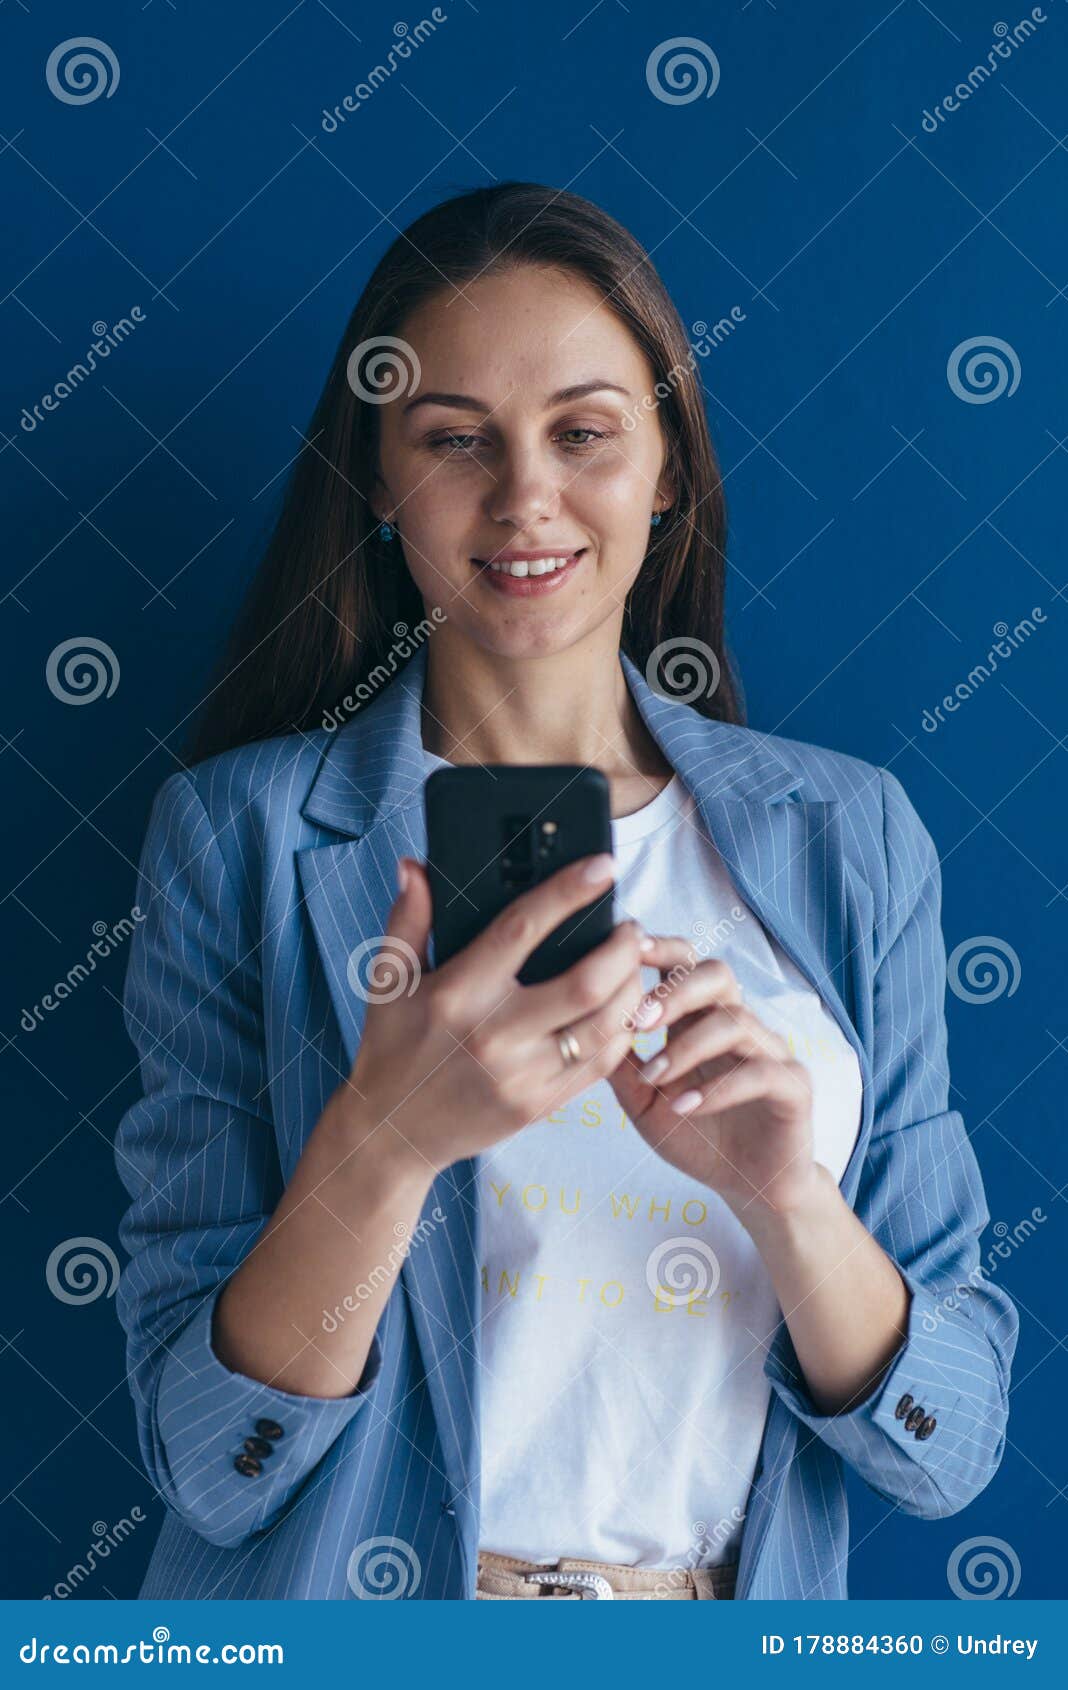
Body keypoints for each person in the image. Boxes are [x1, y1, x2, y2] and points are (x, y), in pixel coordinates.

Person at [114, 181, 1016, 1601]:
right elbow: (211, 1451)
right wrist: (389, 1143)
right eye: (454, 440)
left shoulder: (848, 836)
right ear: (378, 479)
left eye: (583, 432)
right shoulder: (238, 837)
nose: (525, 495)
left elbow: (945, 1441)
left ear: (668, 468)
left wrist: (788, 1196)